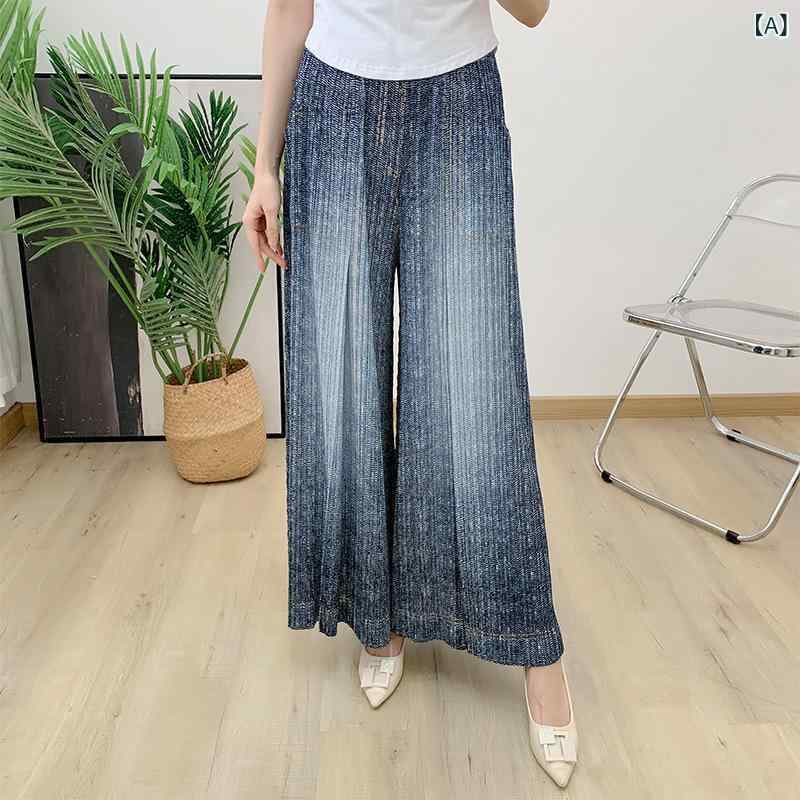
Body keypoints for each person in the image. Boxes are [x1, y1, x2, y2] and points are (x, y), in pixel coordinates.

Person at [243, 0, 578, 788]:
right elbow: (290, 6)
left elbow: (534, 11)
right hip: (332, 104)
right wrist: (264, 166)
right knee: (341, 382)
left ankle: (535, 649)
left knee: (477, 380)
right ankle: (379, 615)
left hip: (457, 101)